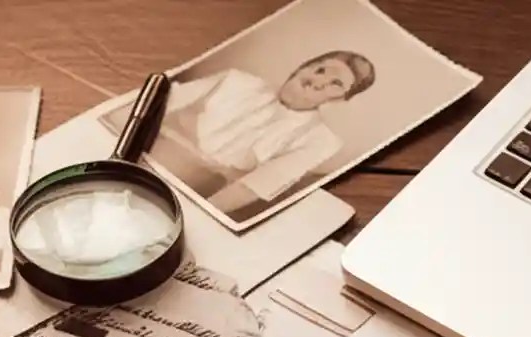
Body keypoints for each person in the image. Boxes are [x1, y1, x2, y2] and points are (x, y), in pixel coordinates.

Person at [159, 50, 376, 215]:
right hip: (160, 152)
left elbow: (254, 187)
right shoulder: (237, 81)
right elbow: (160, 102)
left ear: (342, 99)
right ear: (301, 68)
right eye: (319, 69)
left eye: (335, 84)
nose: (318, 80)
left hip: (196, 189)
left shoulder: (321, 141)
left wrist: (194, 217)